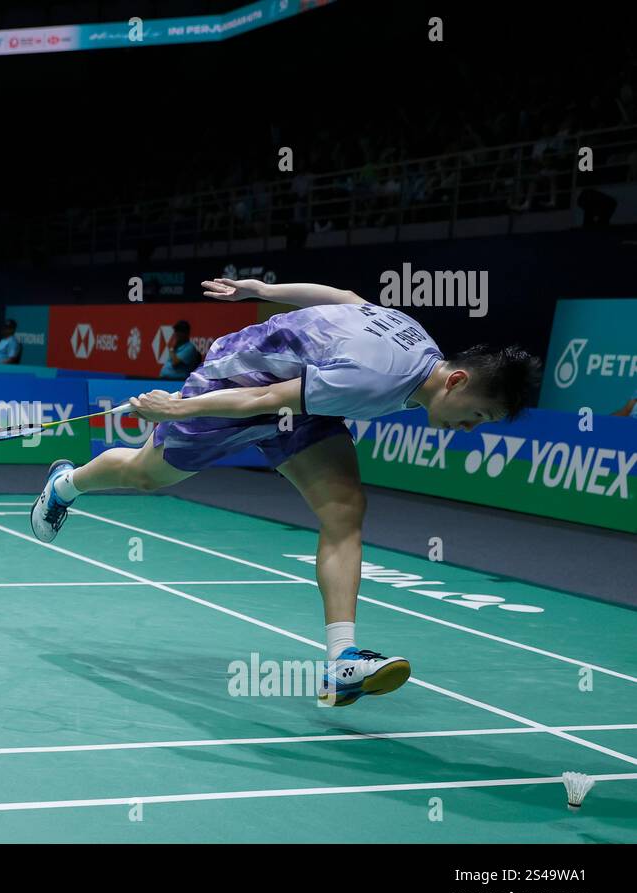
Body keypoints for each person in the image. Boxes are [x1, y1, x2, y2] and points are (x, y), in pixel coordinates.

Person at [30, 277, 542, 707]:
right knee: (148, 475)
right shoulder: (372, 378)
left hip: (304, 397)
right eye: (477, 416)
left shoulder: (417, 343)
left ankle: (343, 662)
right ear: (455, 382)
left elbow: (342, 296)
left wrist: (263, 288)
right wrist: (176, 409)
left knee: (344, 510)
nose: (470, 428)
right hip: (241, 379)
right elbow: (263, 396)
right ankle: (66, 483)